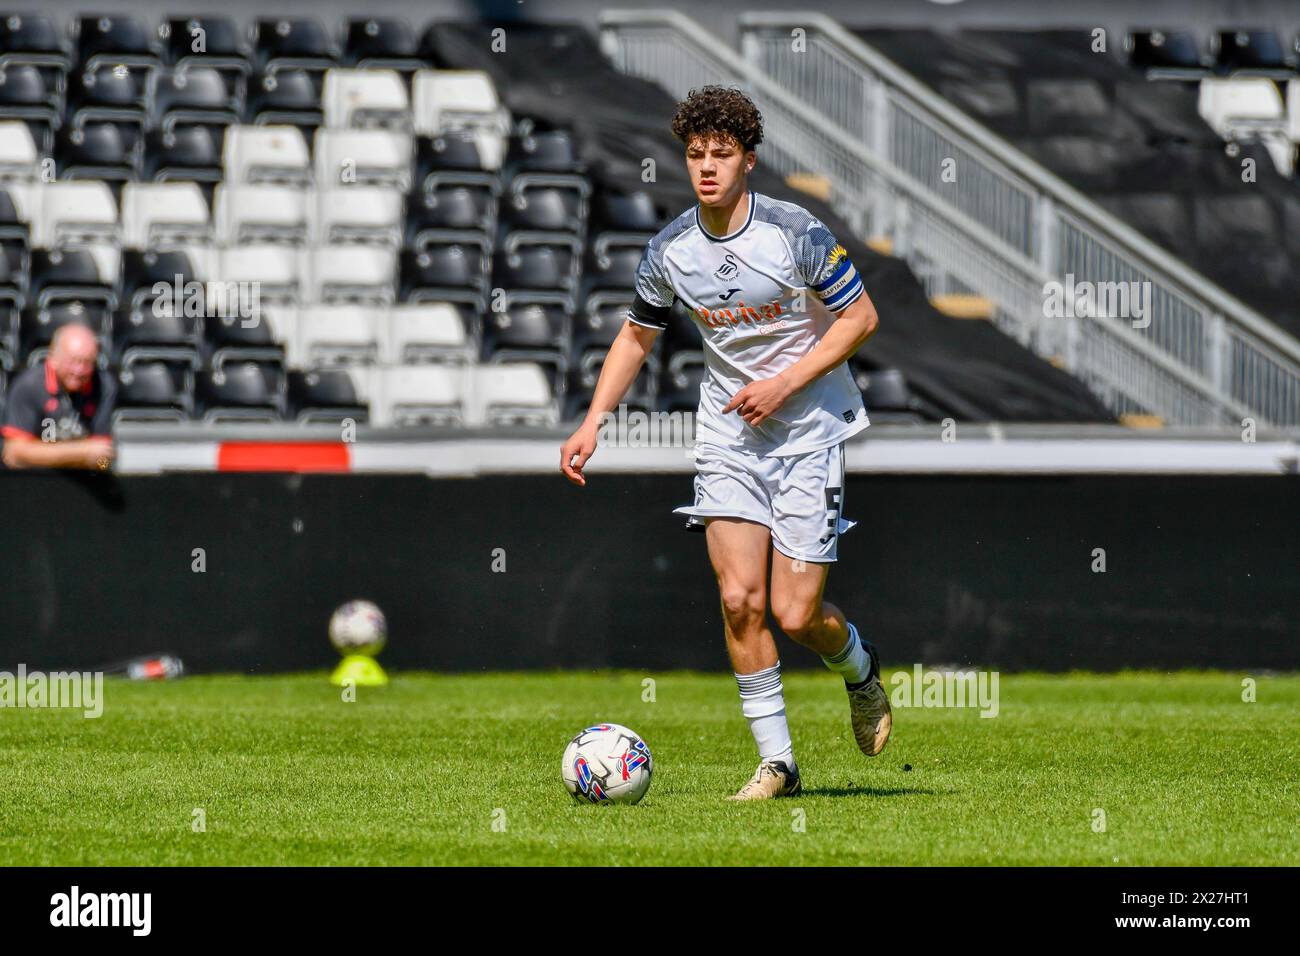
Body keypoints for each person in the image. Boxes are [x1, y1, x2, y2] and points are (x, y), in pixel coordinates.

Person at [560, 86, 891, 800]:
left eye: (722, 153)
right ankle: (779, 764)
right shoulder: (671, 248)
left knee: (796, 615)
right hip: (729, 437)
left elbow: (860, 318)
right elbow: (637, 335)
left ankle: (860, 671)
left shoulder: (792, 232)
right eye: (695, 154)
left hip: (808, 433)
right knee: (740, 600)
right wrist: (593, 421)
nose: (706, 167)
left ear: (749, 161)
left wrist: (785, 383)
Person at [2, 323, 116, 471]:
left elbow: (102, 458)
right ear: (53, 359)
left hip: (85, 481)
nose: (79, 370)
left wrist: (102, 463)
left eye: (87, 362)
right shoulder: (29, 385)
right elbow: (13, 454)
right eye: (73, 361)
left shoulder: (104, 385)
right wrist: (81, 452)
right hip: (33, 482)